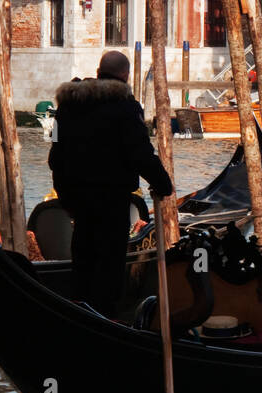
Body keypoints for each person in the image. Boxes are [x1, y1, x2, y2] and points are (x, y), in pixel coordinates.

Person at [48, 50, 174, 316]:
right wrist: (163, 184)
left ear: (98, 71)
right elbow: (140, 153)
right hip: (111, 200)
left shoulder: (66, 107)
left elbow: (55, 155)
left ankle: (80, 312)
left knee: (83, 260)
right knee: (109, 265)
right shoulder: (126, 108)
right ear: (125, 76)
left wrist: (65, 197)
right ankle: (104, 316)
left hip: (78, 201)